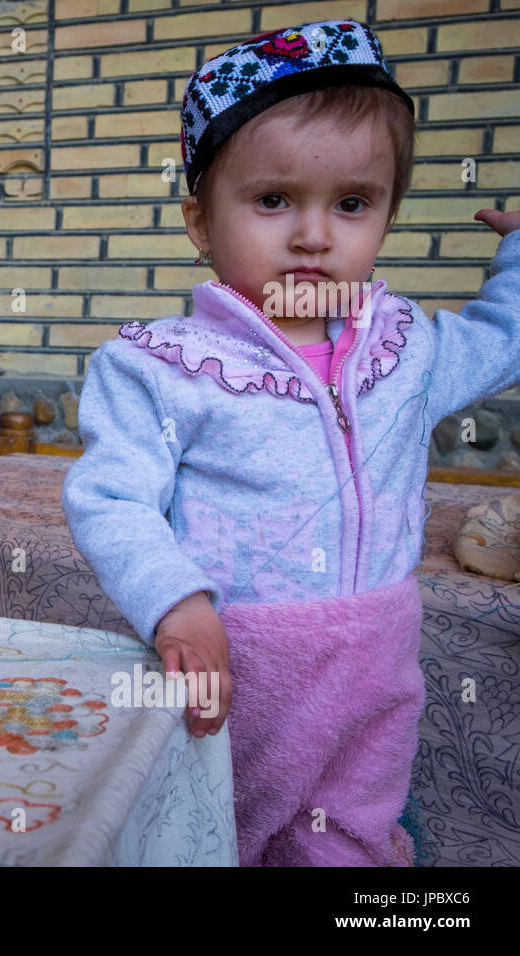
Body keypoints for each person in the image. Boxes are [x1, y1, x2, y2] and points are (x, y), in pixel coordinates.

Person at [61, 20, 520, 866]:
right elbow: (111, 496)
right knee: (203, 833)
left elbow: (504, 337)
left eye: (352, 203)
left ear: (386, 211)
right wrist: (176, 602)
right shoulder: (163, 367)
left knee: (352, 841)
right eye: (274, 200)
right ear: (202, 219)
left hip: (377, 669)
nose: (314, 235)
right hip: (233, 666)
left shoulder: (407, 349)